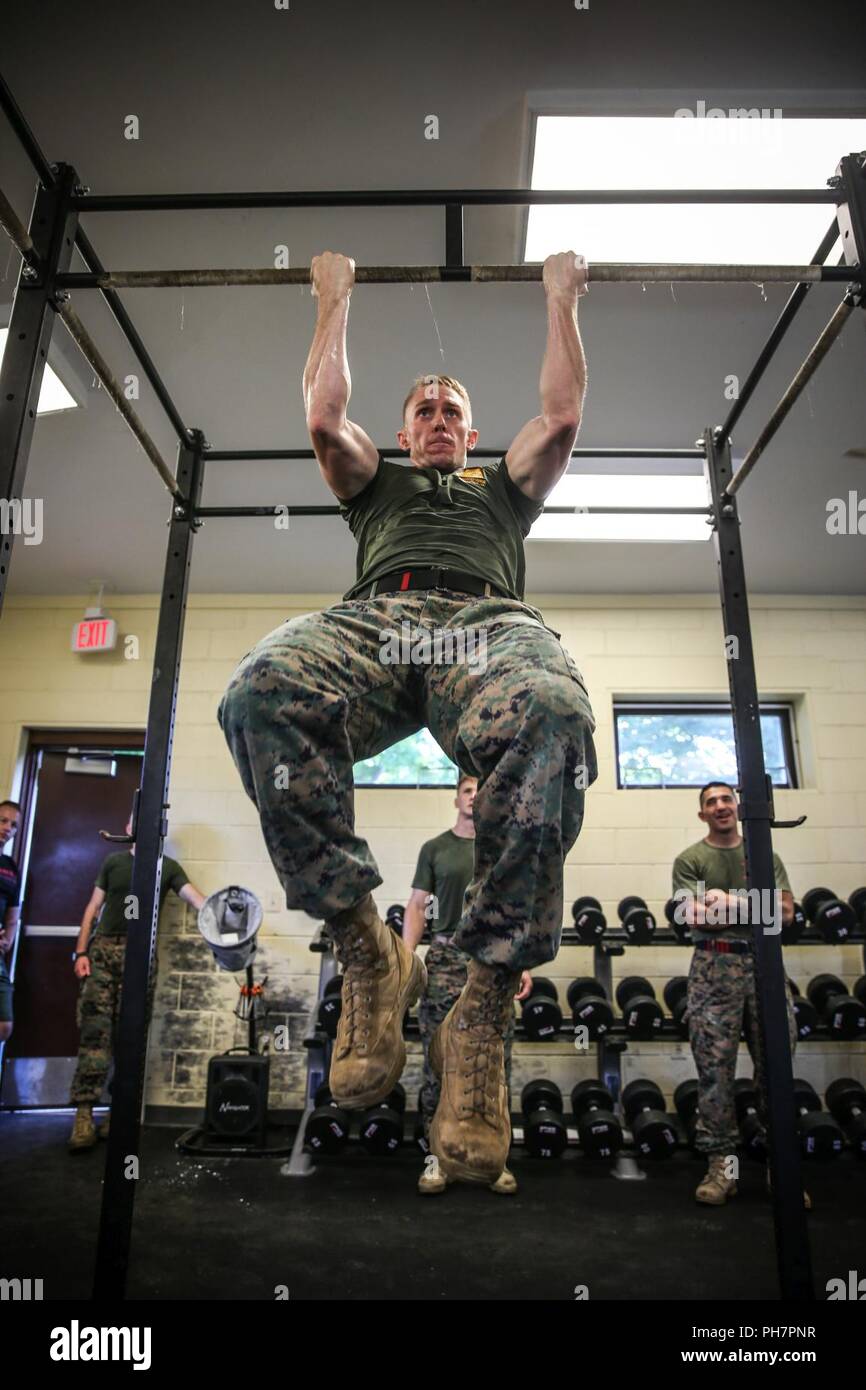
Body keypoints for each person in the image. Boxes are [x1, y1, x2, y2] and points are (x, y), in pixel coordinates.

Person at [218, 247, 597, 1188]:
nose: (437, 419)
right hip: (380, 624)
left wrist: (561, 297)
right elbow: (322, 417)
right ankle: (368, 947)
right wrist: (333, 298)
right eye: (423, 410)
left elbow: (560, 416)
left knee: (553, 710)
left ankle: (483, 1004)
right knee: (260, 692)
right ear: (402, 432)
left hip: (485, 624)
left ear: (471, 433)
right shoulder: (377, 487)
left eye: (451, 410)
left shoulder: (500, 490)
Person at [671, 781, 809, 1207]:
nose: (720, 806)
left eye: (726, 798)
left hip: (764, 967)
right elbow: (693, 915)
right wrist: (755, 906)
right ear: (702, 814)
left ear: (737, 806)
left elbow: (785, 913)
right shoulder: (690, 860)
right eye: (711, 802)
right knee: (715, 1075)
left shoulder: (764, 854)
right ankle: (724, 1170)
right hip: (713, 968)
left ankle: (780, 1171)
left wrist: (727, 901)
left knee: (776, 1070)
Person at [404, 772, 533, 1195]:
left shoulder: (504, 848)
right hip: (445, 959)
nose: (474, 796)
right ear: (457, 798)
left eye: (482, 790)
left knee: (493, 1063)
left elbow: (518, 911)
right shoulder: (435, 849)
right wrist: (406, 959)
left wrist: (522, 963)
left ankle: (495, 1161)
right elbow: (417, 906)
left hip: (494, 962)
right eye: (467, 790)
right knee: (439, 1061)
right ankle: (435, 1160)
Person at [68, 813, 206, 1152]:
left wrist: (227, 912)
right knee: (95, 1033)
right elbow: (92, 908)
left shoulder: (167, 867)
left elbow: (197, 900)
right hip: (103, 953)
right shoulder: (113, 863)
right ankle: (83, 1115)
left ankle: (119, 1114)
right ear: (128, 829)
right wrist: (81, 951)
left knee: (131, 1037)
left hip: (140, 956)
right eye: (136, 822)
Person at [0, 800, 22, 1046]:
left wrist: (7, 941)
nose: (7, 828)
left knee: (4, 1024)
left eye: (13, 825)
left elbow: (13, 915)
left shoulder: (10, 868)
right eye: (3, 821)